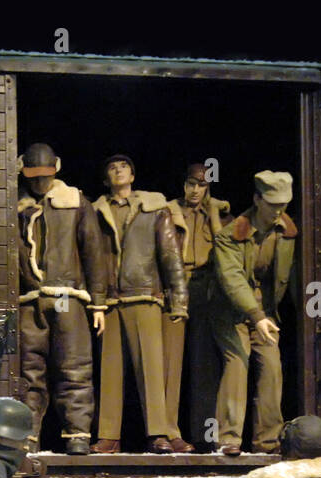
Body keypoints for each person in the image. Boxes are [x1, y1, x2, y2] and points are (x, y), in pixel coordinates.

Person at [91, 155, 191, 454]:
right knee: (109, 372)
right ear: (105, 178)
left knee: (152, 368)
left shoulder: (153, 208)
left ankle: (157, 432)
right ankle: (109, 435)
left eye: (124, 167)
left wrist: (179, 300)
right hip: (110, 299)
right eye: (111, 167)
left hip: (146, 294)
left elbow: (171, 255)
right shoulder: (96, 211)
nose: (118, 171)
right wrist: (96, 300)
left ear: (132, 175)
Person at [16, 142, 106, 454]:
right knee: (30, 371)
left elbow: (94, 252)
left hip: (67, 296)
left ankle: (77, 433)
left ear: (56, 168)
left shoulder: (76, 202)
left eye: (44, 175)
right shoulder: (16, 206)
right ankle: (27, 435)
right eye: (33, 176)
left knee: (74, 365)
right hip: (29, 300)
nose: (39, 182)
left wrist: (98, 303)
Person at [209, 170, 297, 455]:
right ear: (257, 199)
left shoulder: (288, 233)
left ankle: (268, 442)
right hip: (231, 310)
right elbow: (232, 279)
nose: (279, 211)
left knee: (272, 365)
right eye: (273, 204)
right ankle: (228, 439)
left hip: (266, 312)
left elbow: (293, 276)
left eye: (283, 204)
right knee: (239, 360)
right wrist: (256, 316)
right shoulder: (230, 235)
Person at [166, 164, 232, 449]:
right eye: (191, 184)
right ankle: (169, 433)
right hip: (177, 287)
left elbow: (227, 251)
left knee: (205, 367)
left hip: (206, 290)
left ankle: (205, 436)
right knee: (170, 365)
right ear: (183, 184)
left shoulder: (218, 215)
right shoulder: (167, 212)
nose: (195, 190)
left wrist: (216, 215)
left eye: (201, 185)